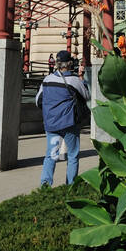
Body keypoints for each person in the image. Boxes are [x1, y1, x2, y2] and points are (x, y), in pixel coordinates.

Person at [35, 50, 90, 187]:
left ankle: (45, 185)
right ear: (70, 64)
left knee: (51, 155)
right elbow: (86, 96)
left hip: (51, 124)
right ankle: (70, 185)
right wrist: (81, 78)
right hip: (68, 124)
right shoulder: (74, 80)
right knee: (72, 155)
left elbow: (38, 101)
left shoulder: (47, 80)